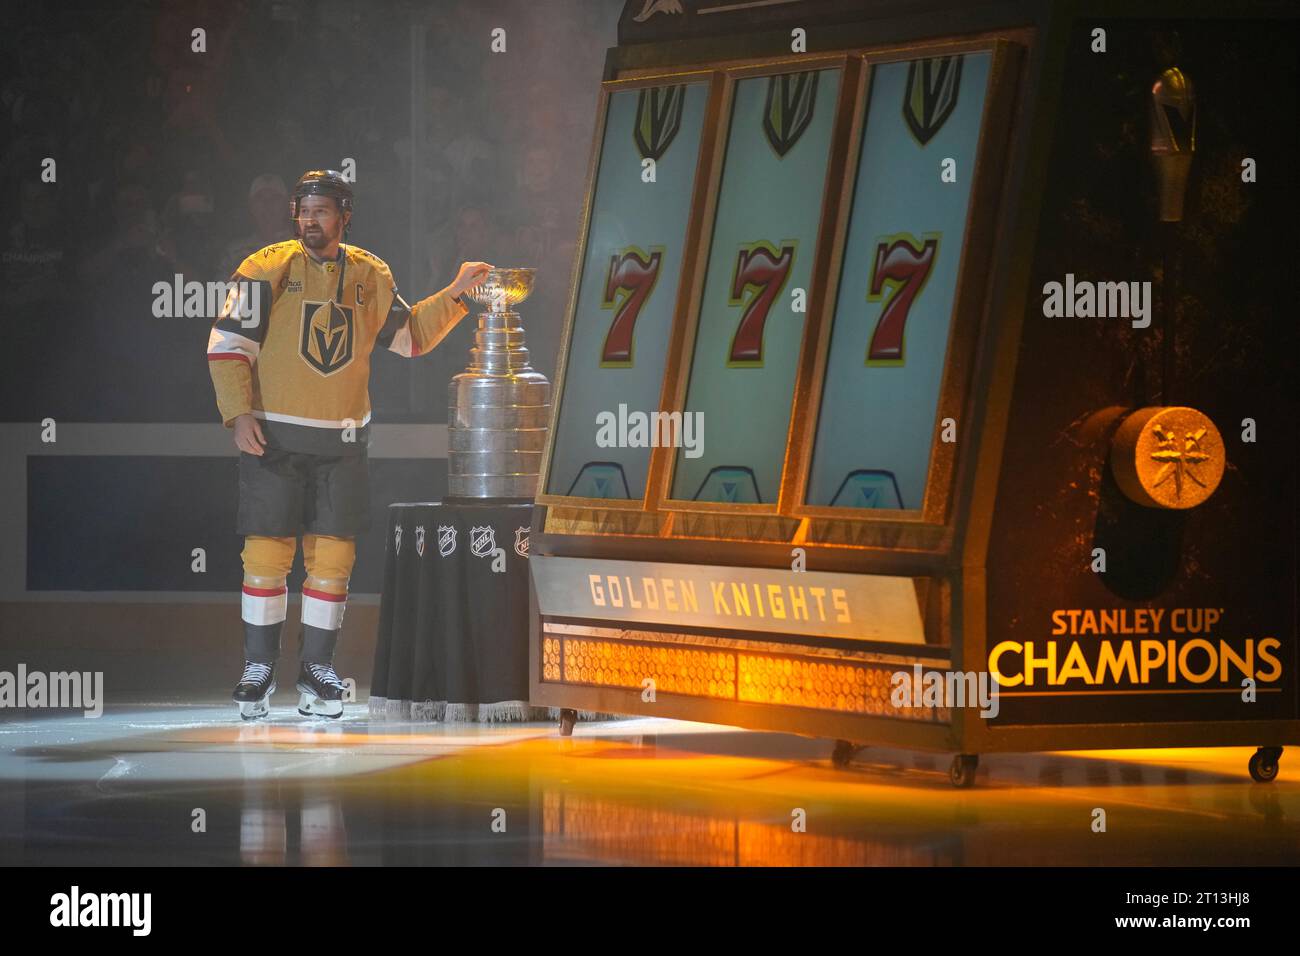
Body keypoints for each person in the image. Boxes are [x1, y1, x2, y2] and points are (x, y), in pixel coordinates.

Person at [206, 169, 490, 719]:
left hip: (343, 442)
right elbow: (227, 344)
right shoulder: (265, 266)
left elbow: (409, 339)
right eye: (304, 210)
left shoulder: (371, 273)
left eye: (323, 210)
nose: (311, 220)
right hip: (274, 438)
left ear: (344, 216)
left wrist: (455, 294)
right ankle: (259, 671)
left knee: (333, 560)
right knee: (265, 556)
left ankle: (317, 671)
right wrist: (238, 413)